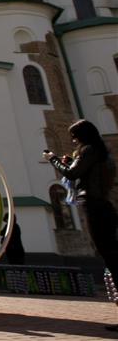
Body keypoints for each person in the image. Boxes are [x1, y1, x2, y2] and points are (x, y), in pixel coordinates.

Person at [45, 120, 117, 282]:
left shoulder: (88, 151)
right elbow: (84, 171)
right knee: (110, 247)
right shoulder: (102, 152)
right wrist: (71, 163)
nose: (73, 140)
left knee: (106, 249)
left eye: (74, 136)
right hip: (103, 202)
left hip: (93, 203)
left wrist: (52, 159)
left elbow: (72, 174)